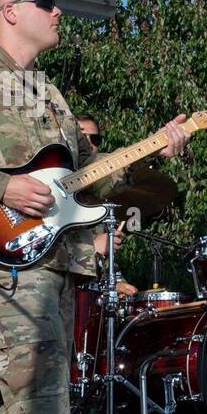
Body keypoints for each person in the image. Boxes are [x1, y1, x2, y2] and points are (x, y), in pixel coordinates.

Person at [0, 0, 191, 414]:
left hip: (60, 257)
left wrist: (153, 150)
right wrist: (2, 186)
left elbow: (90, 179)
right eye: (45, 3)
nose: (58, 12)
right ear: (10, 12)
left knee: (50, 395)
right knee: (36, 399)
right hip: (10, 255)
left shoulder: (50, 94)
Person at [77, 114, 137, 297]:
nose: (89, 144)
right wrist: (92, 248)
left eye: (94, 139)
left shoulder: (100, 204)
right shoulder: (49, 192)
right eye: (81, 138)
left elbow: (106, 269)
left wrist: (119, 284)